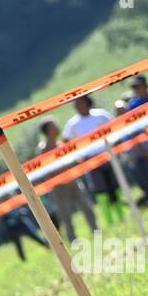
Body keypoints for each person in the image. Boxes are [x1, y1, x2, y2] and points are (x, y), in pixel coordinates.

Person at [62, 95, 125, 225]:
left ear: (87, 103)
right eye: (76, 105)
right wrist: (77, 157)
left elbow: (115, 127)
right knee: (101, 191)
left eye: (81, 104)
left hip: (108, 155)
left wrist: (116, 145)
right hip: (91, 160)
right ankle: (109, 221)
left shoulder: (101, 115)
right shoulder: (72, 124)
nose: (78, 107)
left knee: (115, 187)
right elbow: (66, 143)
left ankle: (121, 216)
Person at [35, 119, 98, 242]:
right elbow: (45, 170)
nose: (57, 128)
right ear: (47, 131)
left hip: (72, 180)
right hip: (58, 186)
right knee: (65, 215)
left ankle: (96, 231)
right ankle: (73, 239)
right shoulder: (43, 149)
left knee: (86, 206)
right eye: (54, 126)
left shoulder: (61, 144)